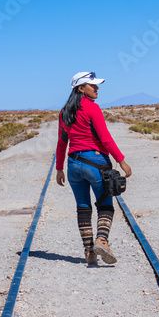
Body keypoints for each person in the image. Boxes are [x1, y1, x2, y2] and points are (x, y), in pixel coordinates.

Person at [56, 71, 132, 266]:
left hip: (73, 165)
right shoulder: (92, 108)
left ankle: (89, 252)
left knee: (83, 207)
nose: (97, 88)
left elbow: (62, 143)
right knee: (106, 204)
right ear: (81, 89)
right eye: (93, 85)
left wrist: (59, 169)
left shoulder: (64, 112)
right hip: (95, 162)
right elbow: (105, 138)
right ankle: (102, 241)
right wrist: (121, 160)